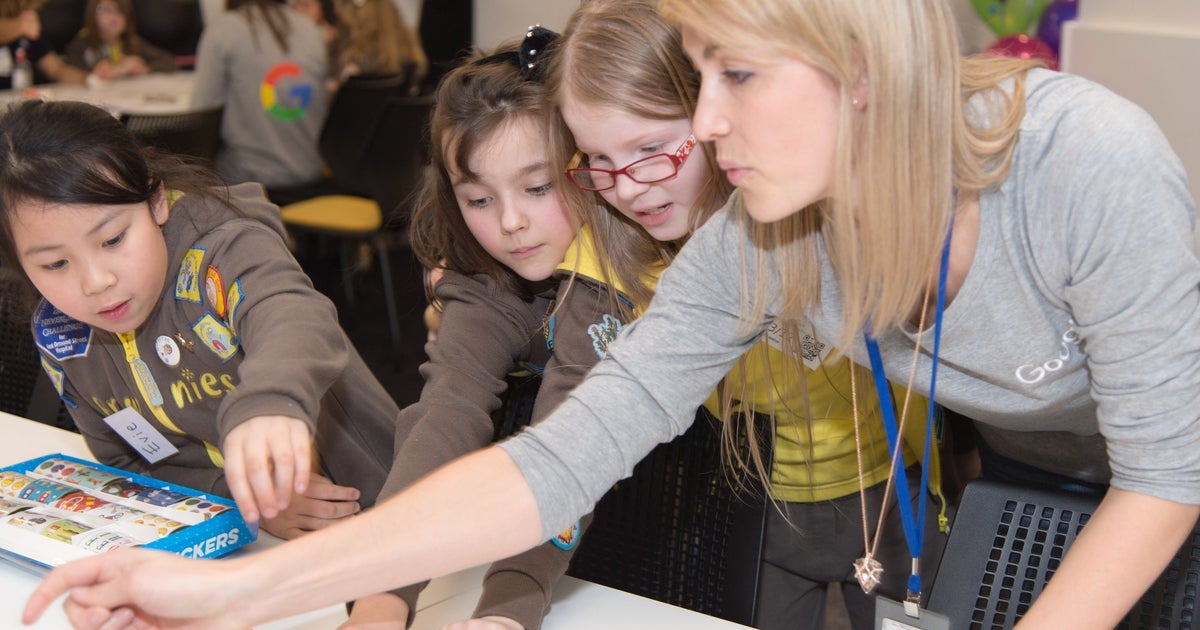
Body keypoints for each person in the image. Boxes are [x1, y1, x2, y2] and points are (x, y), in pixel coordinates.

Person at [23, 0, 1200, 628]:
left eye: (734, 74)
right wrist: (233, 591)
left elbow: (1165, 473)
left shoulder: (1084, 158)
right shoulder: (763, 234)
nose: (712, 125)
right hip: (1033, 460)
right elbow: (558, 457)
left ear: (862, 62)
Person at [550, 2, 943, 627]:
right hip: (755, 514)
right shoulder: (621, 256)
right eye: (597, 159)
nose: (625, 187)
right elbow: (571, 411)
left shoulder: (813, 218)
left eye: (650, 148)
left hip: (895, 497)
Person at [0, 98, 401, 542]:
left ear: (155, 202)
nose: (97, 281)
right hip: (244, 535)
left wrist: (269, 402)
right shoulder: (62, 332)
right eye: (55, 265)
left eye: (113, 239)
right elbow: (127, 461)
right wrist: (248, 500)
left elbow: (292, 314)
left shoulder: (224, 251)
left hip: (379, 510)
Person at [338, 30, 584, 630]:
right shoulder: (483, 279)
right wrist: (381, 600)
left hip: (652, 529)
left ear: (589, 166)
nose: (511, 223)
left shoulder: (610, 281)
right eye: (478, 199)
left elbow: (567, 445)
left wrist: (507, 610)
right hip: (522, 524)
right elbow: (446, 415)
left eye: (537, 187)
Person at [191, 0, 330, 199]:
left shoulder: (224, 29)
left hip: (249, 182)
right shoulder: (309, 28)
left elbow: (202, 115)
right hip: (312, 174)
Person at [63, 0, 177, 80]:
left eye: (120, 11)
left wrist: (145, 69)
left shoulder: (132, 42)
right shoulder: (81, 44)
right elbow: (67, 74)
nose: (114, 15)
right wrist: (114, 71)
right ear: (92, 13)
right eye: (106, 9)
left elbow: (169, 61)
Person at [329, 0, 426, 86]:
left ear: (367, 29)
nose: (352, 35)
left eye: (355, 28)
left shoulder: (356, 66)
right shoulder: (411, 56)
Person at [0, 0, 86, 89]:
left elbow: (56, 70)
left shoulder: (29, 31)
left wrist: (90, 79)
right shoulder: (26, 24)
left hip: (18, 97)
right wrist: (23, 25)